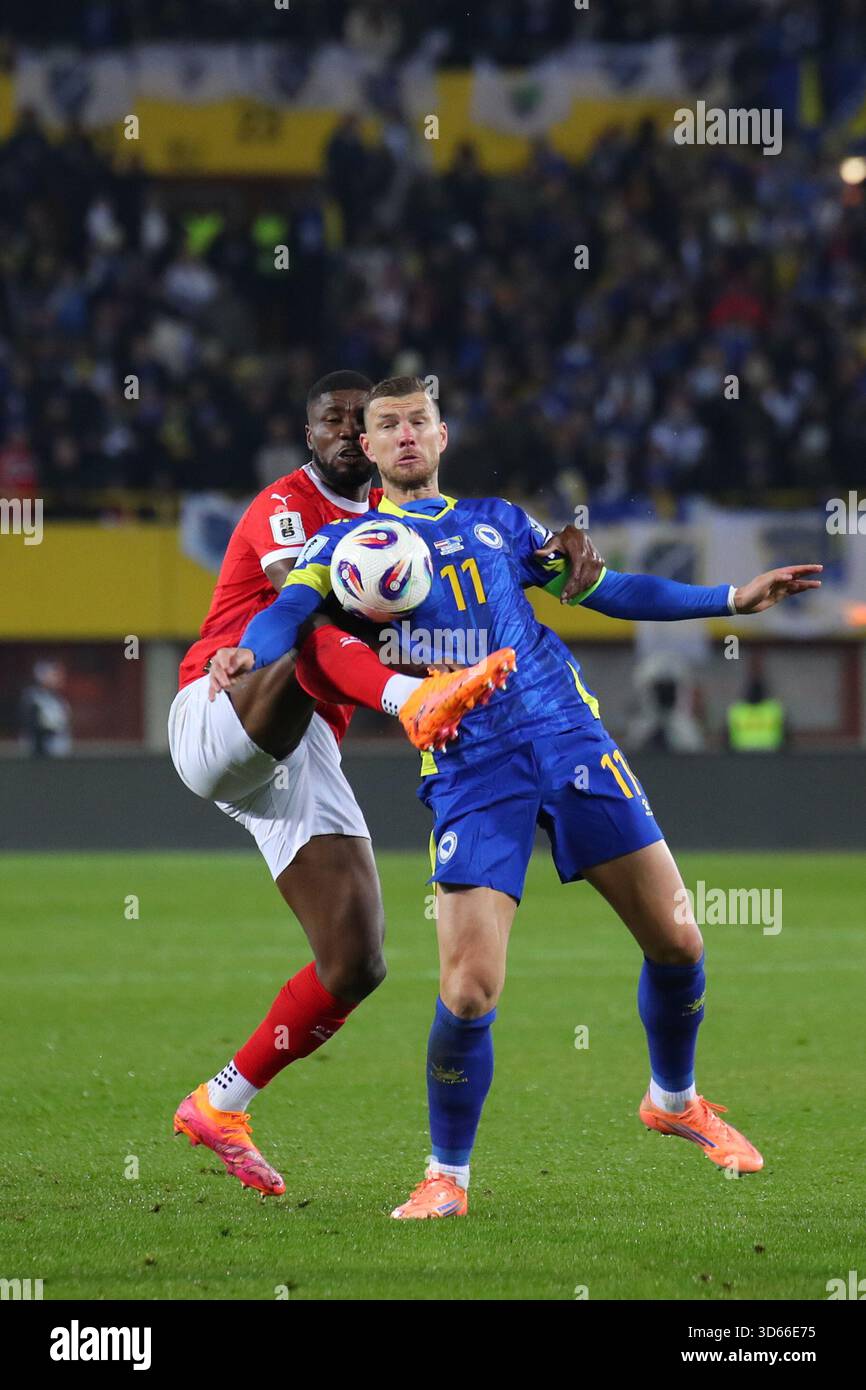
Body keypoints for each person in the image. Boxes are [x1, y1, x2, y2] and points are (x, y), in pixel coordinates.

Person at [234, 376, 822, 1217]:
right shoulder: (345, 546)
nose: (405, 436)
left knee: (681, 941)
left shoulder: (501, 523)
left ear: (442, 438)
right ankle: (447, 1177)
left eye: (419, 422)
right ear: (365, 449)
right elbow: (287, 615)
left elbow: (607, 588)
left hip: (569, 738)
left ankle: (674, 1098)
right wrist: (245, 657)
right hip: (471, 766)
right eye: (387, 426)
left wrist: (730, 599)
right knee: (469, 988)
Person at [169, 370, 602, 1196]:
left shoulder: (398, 523)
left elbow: (522, 569)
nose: (342, 434)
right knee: (322, 613)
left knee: (358, 959)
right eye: (329, 422)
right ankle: (416, 704)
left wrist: (566, 549)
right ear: (319, 438)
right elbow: (301, 619)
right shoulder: (288, 510)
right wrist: (413, 687)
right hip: (225, 704)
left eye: (353, 422)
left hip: (299, 757)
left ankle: (221, 1104)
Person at [19, 660, 72, 758]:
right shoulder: (33, 697)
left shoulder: (58, 699)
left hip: (59, 753)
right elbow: (34, 727)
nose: (59, 678)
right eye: (54, 674)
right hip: (42, 756)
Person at [726, 676, 786, 752]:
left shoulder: (736, 710)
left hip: (745, 753)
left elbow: (727, 738)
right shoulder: (774, 709)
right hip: (767, 752)